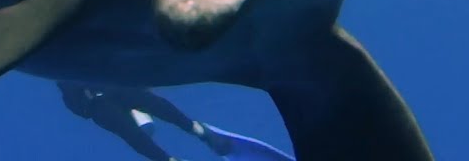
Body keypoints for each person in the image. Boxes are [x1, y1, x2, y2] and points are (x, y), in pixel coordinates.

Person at [57, 82, 294, 161]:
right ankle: (175, 151)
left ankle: (196, 130)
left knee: (147, 106)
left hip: (104, 87)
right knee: (132, 129)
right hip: (92, 100)